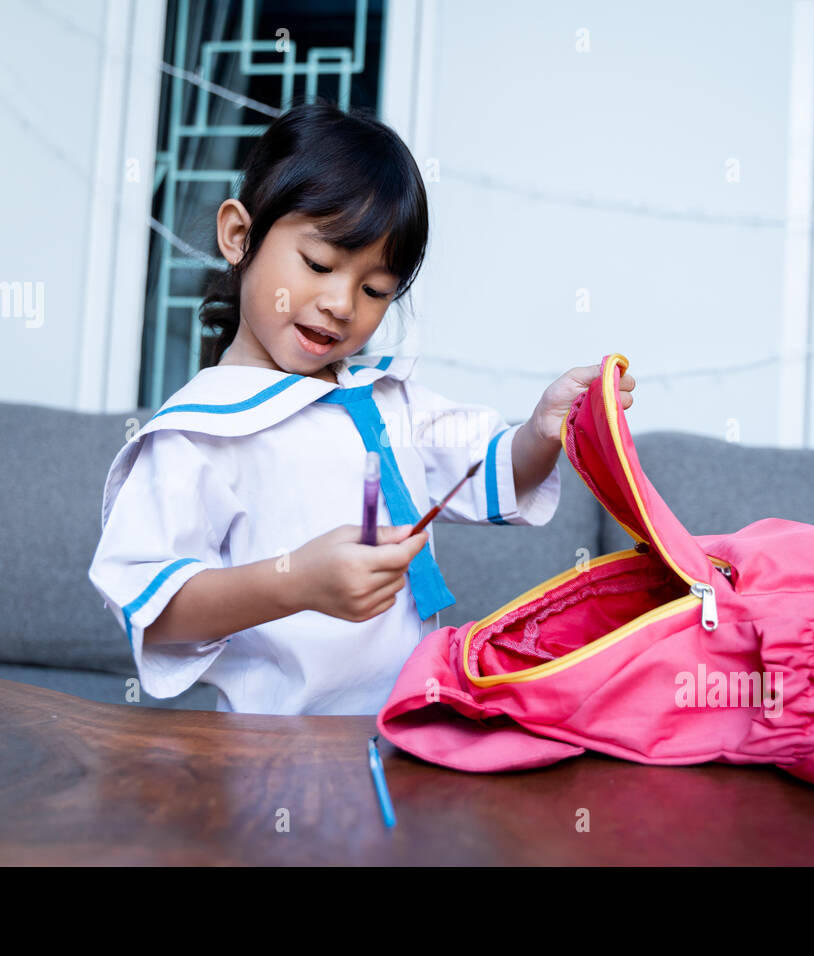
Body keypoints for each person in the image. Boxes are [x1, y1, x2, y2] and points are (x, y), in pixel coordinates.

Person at [88, 100, 635, 715]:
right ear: (239, 236)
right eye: (319, 264)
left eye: (376, 289)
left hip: (403, 729)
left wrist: (542, 427)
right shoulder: (196, 435)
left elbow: (491, 468)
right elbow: (154, 612)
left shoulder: (387, 397)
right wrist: (299, 581)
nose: (342, 303)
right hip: (269, 762)